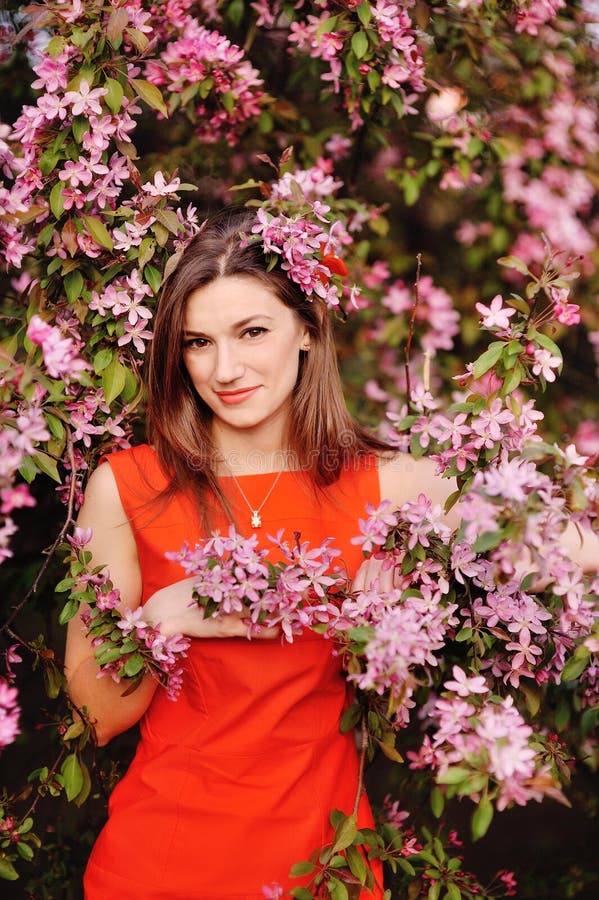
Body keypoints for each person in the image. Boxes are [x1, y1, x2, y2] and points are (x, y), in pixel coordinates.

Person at [64, 206, 598, 899]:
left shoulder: (390, 485)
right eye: (198, 342)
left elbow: (568, 544)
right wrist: (163, 618)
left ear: (308, 330)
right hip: (162, 860)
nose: (225, 368)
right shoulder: (127, 486)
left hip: (324, 866)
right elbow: (93, 717)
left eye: (252, 332)